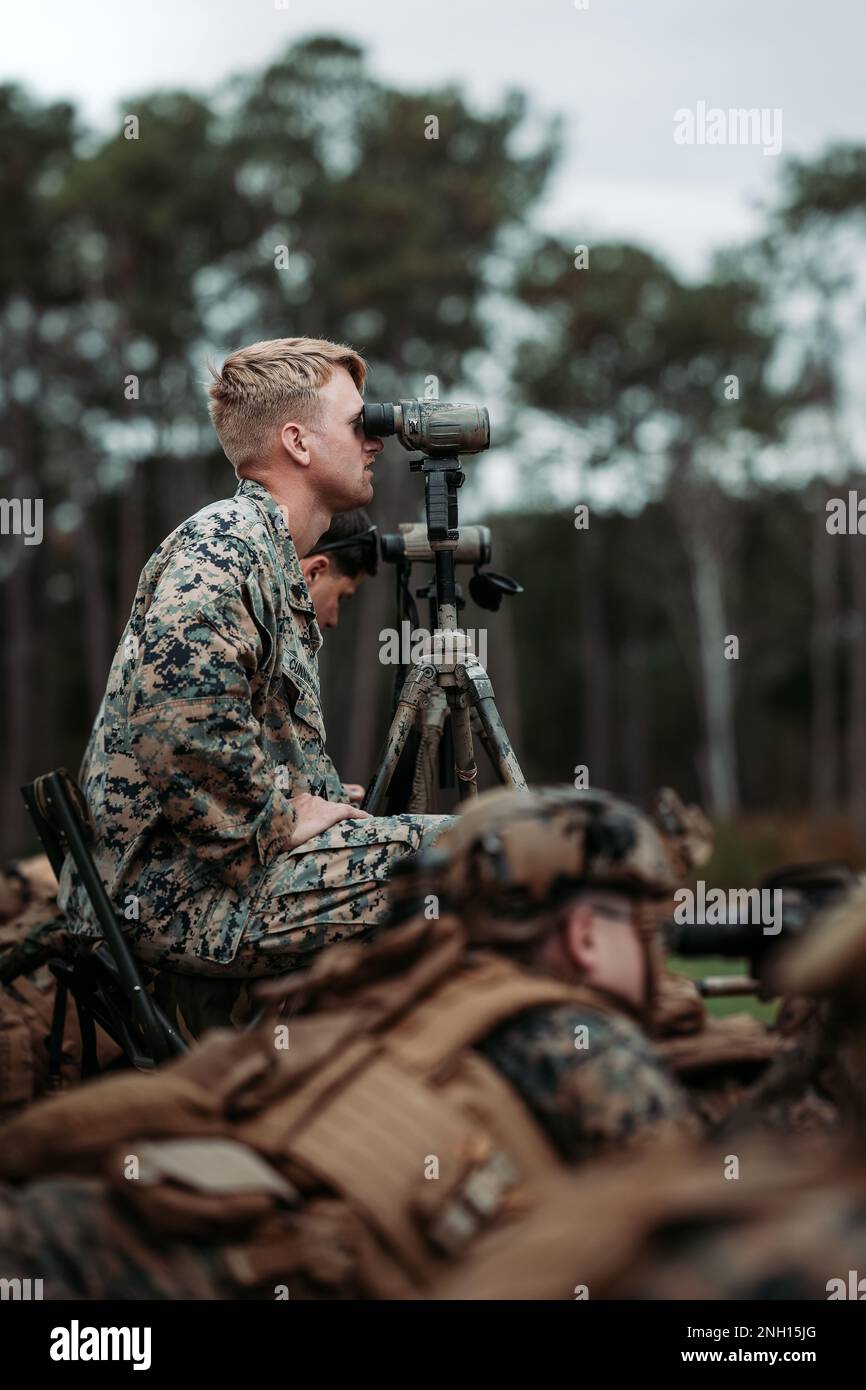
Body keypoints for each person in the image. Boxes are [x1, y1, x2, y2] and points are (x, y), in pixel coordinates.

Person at [1, 786, 696, 1299]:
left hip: (65, 1230)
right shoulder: (585, 1047)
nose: (656, 956)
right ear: (584, 936)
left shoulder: (368, 996)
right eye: (643, 931)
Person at [56, 338, 453, 990]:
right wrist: (279, 819)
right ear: (298, 442)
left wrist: (316, 797)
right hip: (176, 899)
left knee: (473, 849)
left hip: (203, 882)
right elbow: (179, 719)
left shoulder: (267, 555)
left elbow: (225, 725)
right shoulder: (225, 545)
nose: (376, 441)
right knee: (481, 855)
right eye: (360, 424)